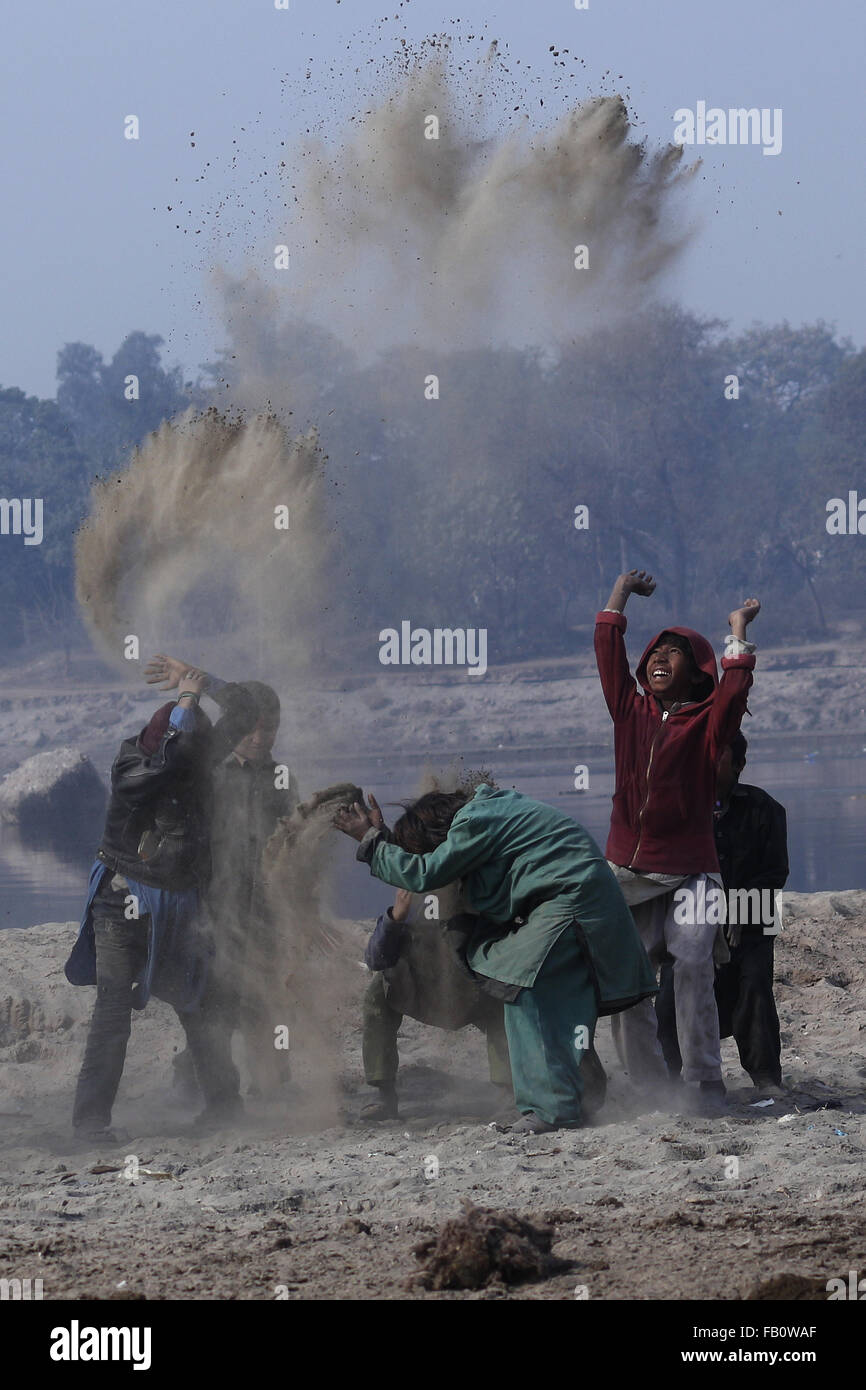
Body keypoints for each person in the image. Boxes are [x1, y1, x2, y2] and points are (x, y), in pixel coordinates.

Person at [334, 782, 656, 1135]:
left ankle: (551, 1110)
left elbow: (425, 872)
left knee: (522, 987)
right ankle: (580, 1097)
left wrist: (370, 840)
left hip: (570, 906)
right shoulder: (493, 811)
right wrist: (383, 838)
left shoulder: (474, 822)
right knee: (554, 1003)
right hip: (580, 907)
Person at [65, 658, 257, 1141]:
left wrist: (203, 678)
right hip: (123, 902)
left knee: (201, 1003)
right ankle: (90, 1123)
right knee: (113, 1009)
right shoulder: (135, 765)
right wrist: (188, 701)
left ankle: (223, 1107)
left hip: (181, 903)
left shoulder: (190, 756)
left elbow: (247, 707)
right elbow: (168, 761)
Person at [595, 568, 760, 1116]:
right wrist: (620, 595)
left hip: (692, 870)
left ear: (695, 675)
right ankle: (646, 1087)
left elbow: (735, 690)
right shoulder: (629, 708)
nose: (661, 655)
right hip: (628, 872)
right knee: (630, 980)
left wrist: (737, 632)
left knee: (691, 961)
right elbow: (607, 650)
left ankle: (704, 1082)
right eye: (656, 650)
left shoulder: (706, 725)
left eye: (676, 652)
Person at [172, 676, 301, 1100]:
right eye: (253, 727)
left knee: (267, 995)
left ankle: (271, 1080)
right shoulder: (211, 771)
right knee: (216, 994)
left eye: (271, 729)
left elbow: (291, 839)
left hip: (263, 903)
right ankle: (194, 1072)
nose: (261, 738)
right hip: (215, 902)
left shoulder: (282, 777)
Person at [655, 734, 788, 1095]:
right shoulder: (680, 810)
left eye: (717, 758)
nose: (707, 765)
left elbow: (775, 873)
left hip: (755, 913)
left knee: (755, 986)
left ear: (738, 766)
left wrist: (738, 911)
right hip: (692, 914)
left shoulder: (766, 809)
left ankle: (766, 1079)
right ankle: (674, 1078)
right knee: (670, 995)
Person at [361, 882, 511, 1121]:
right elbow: (375, 958)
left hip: (469, 990)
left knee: (504, 998)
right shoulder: (410, 894)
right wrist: (396, 917)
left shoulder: (479, 888)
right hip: (421, 990)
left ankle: (509, 1091)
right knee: (377, 996)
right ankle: (384, 1094)